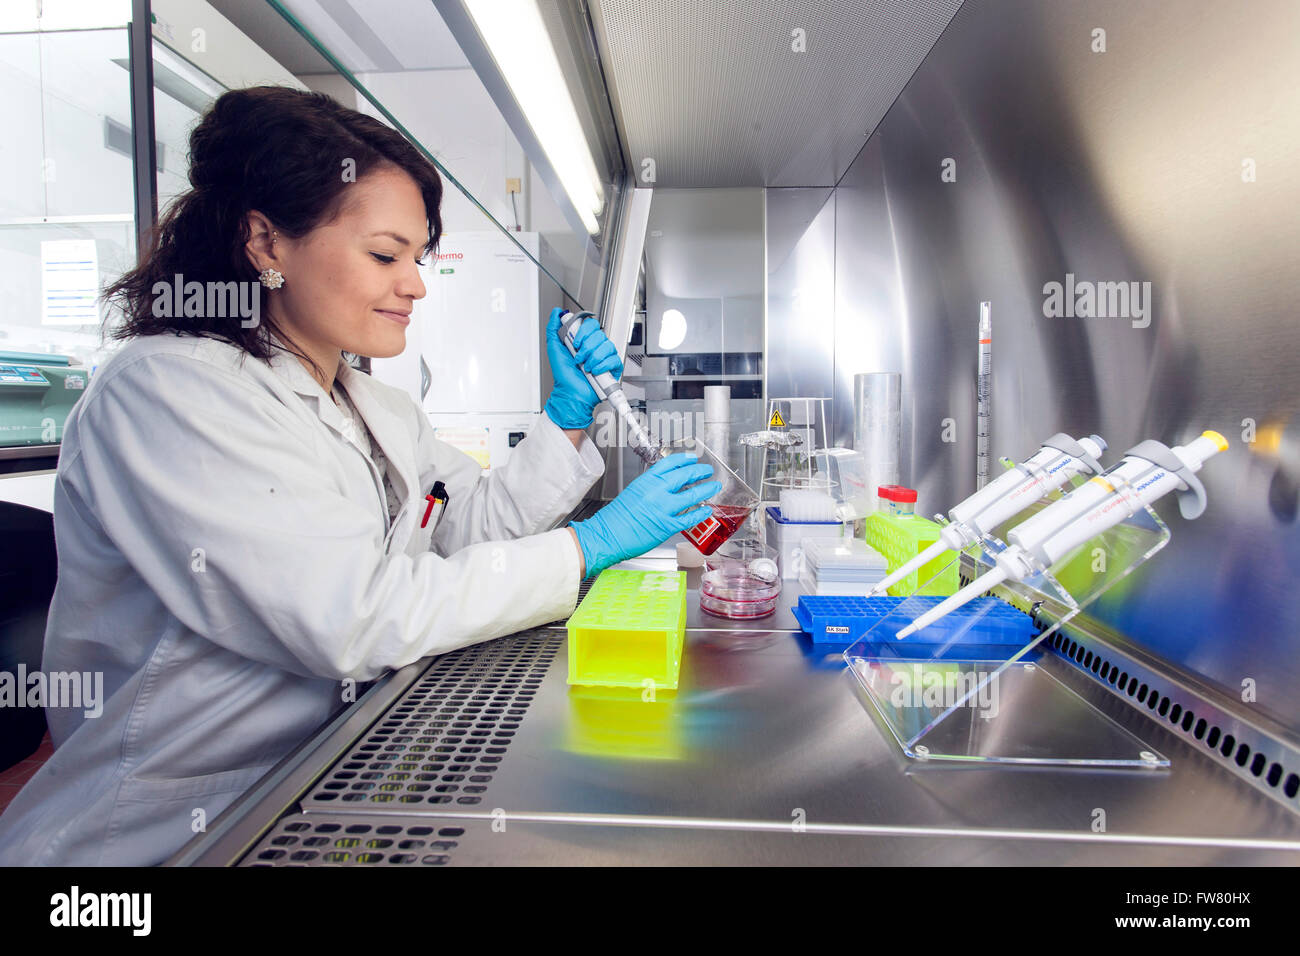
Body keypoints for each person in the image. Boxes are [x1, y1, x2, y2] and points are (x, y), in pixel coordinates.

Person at [0, 86, 718, 866]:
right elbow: (352, 617)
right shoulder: (167, 392)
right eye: (385, 255)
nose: (413, 284)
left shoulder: (374, 405)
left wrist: (569, 416)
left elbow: (465, 529)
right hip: (168, 833)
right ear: (265, 242)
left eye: (419, 258)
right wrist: (590, 546)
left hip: (316, 777)